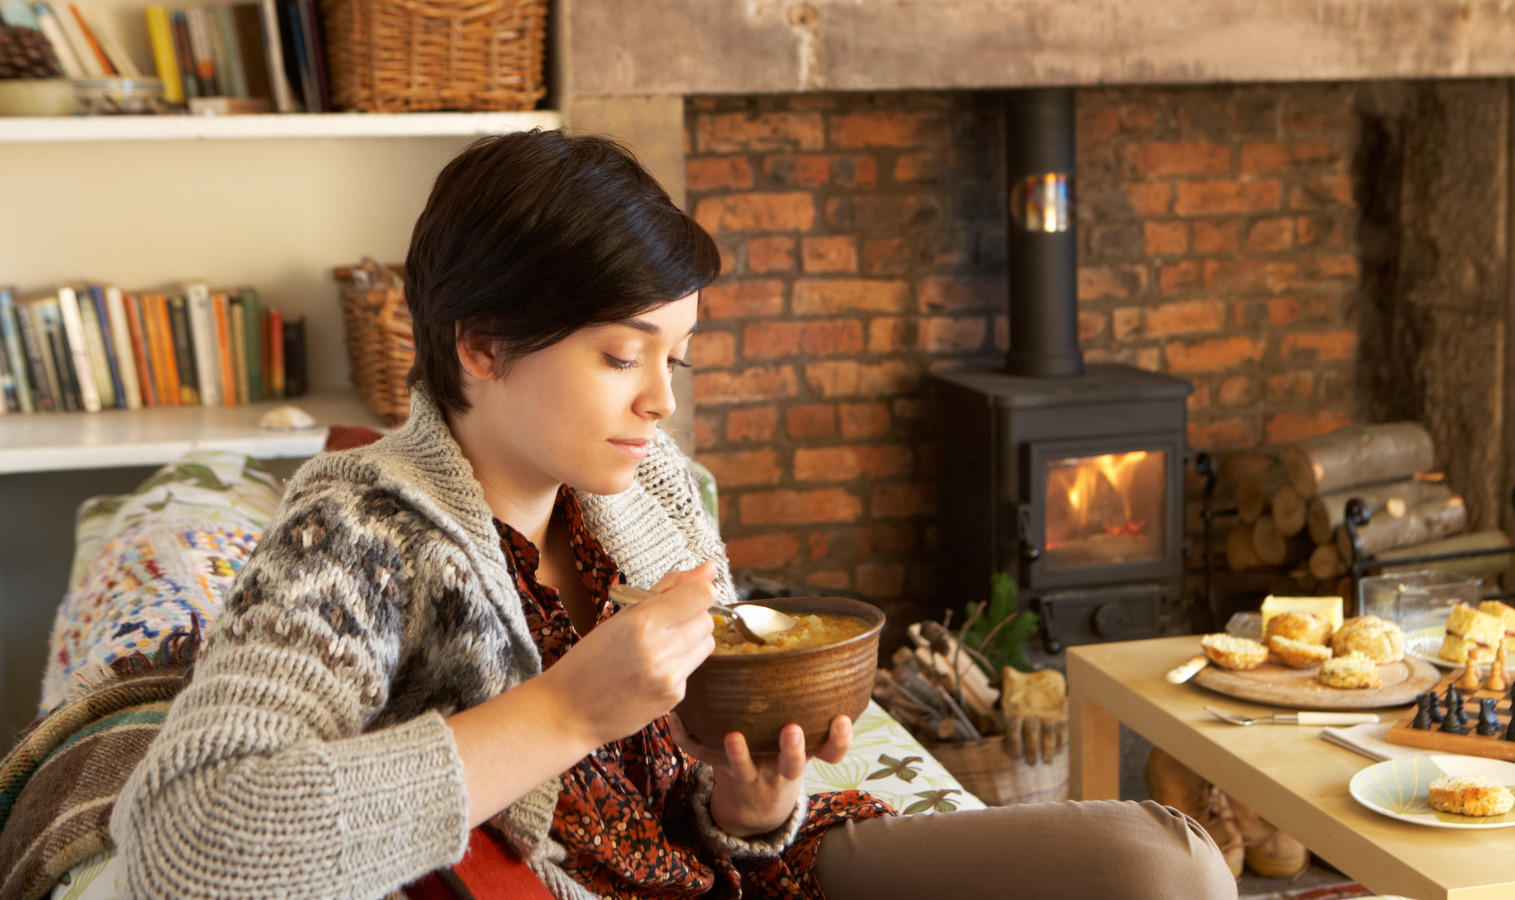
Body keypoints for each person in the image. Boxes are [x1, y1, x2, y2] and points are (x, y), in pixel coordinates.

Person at [110, 128, 1236, 900]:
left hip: (735, 873)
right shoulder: (351, 535)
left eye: (676, 357)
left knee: (1170, 865)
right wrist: (563, 714)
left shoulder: (644, 490)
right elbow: (182, 844)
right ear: (481, 345)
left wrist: (748, 806)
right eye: (619, 356)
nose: (660, 400)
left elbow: (699, 779)